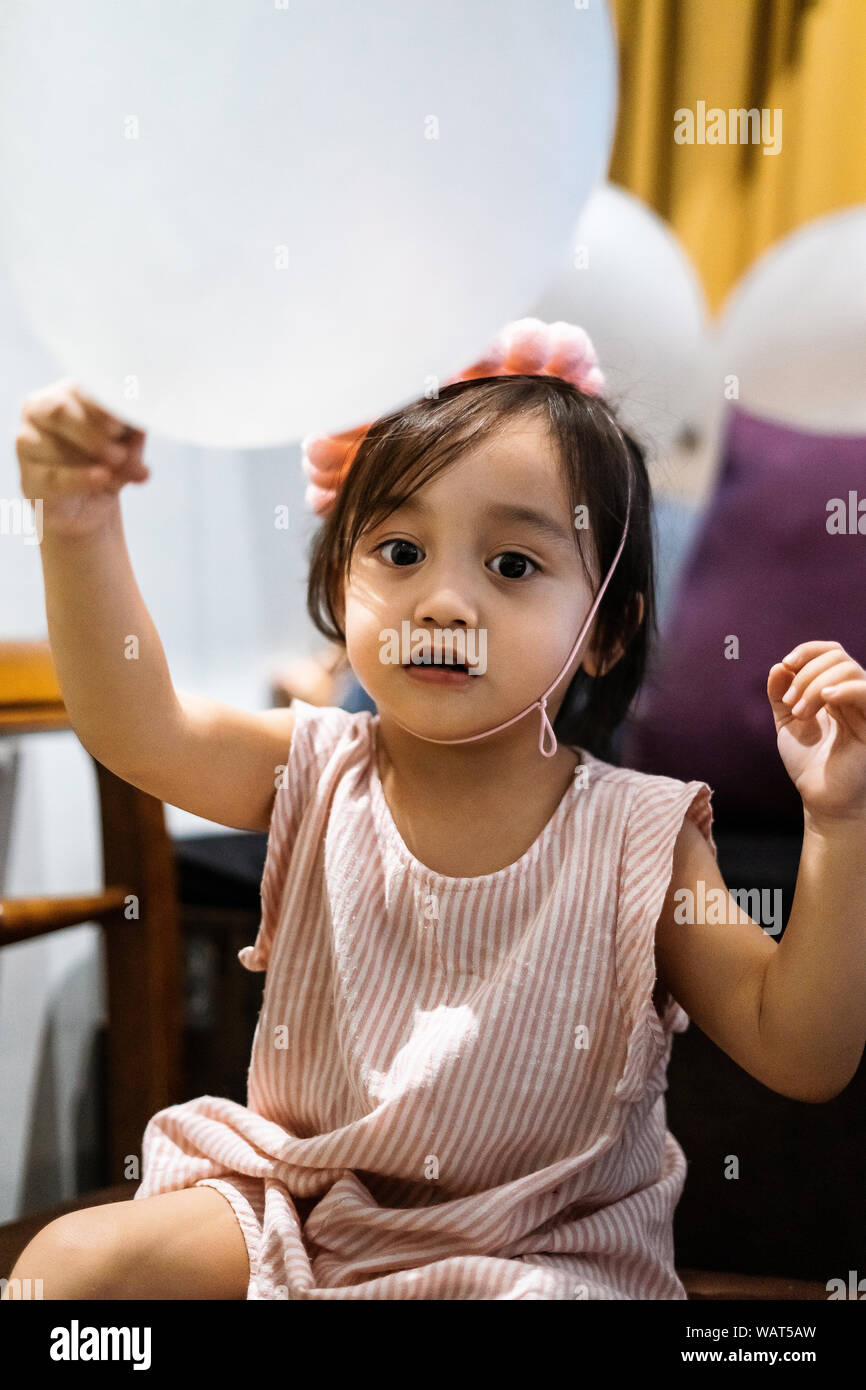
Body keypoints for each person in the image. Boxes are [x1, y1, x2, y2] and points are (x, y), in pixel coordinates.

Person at [6, 318, 864, 1300]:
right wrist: (76, 522)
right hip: (301, 1211)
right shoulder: (313, 765)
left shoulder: (641, 839)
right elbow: (137, 724)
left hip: (540, 1259)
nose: (442, 603)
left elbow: (799, 1050)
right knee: (69, 1266)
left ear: (603, 630)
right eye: (401, 549)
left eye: (510, 565)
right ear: (338, 578)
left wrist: (841, 826)